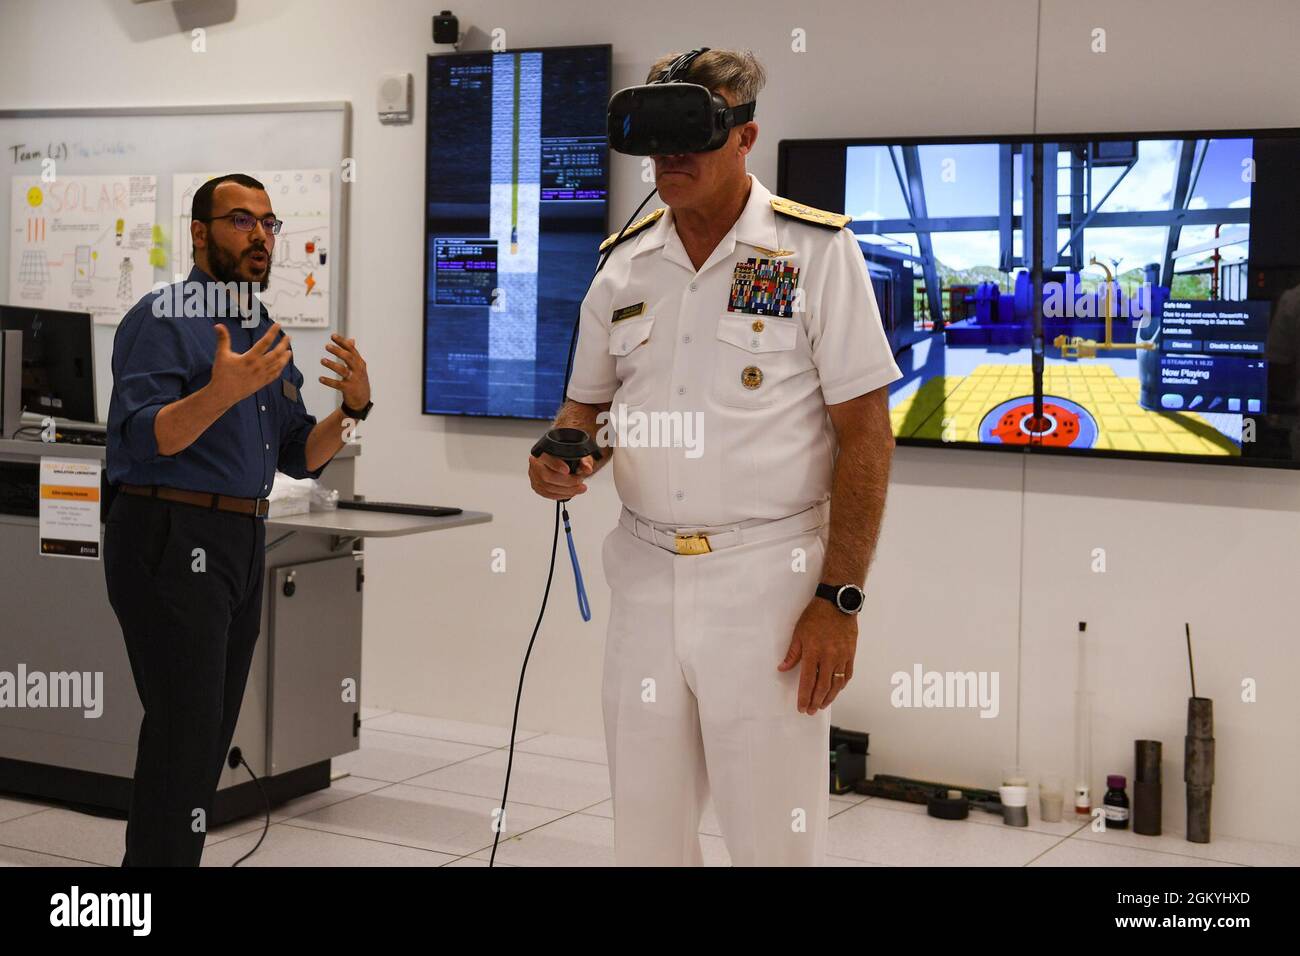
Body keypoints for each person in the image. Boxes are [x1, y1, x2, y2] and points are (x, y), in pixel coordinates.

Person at [527, 50, 901, 865]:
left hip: (769, 586)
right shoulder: (621, 265)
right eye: (657, 135)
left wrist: (839, 598)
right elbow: (584, 410)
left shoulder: (815, 253)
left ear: (746, 137)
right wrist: (565, 457)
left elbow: (867, 433)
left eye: (694, 131)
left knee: (772, 841)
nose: (672, 155)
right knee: (647, 839)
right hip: (645, 579)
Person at [103, 173, 374, 865]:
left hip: (240, 540)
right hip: (169, 535)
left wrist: (353, 414)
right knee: (184, 731)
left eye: (269, 223)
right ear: (199, 233)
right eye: (241, 221)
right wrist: (219, 393)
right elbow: (145, 437)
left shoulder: (266, 333)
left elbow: (298, 455)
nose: (261, 236)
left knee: (208, 733)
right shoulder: (160, 318)